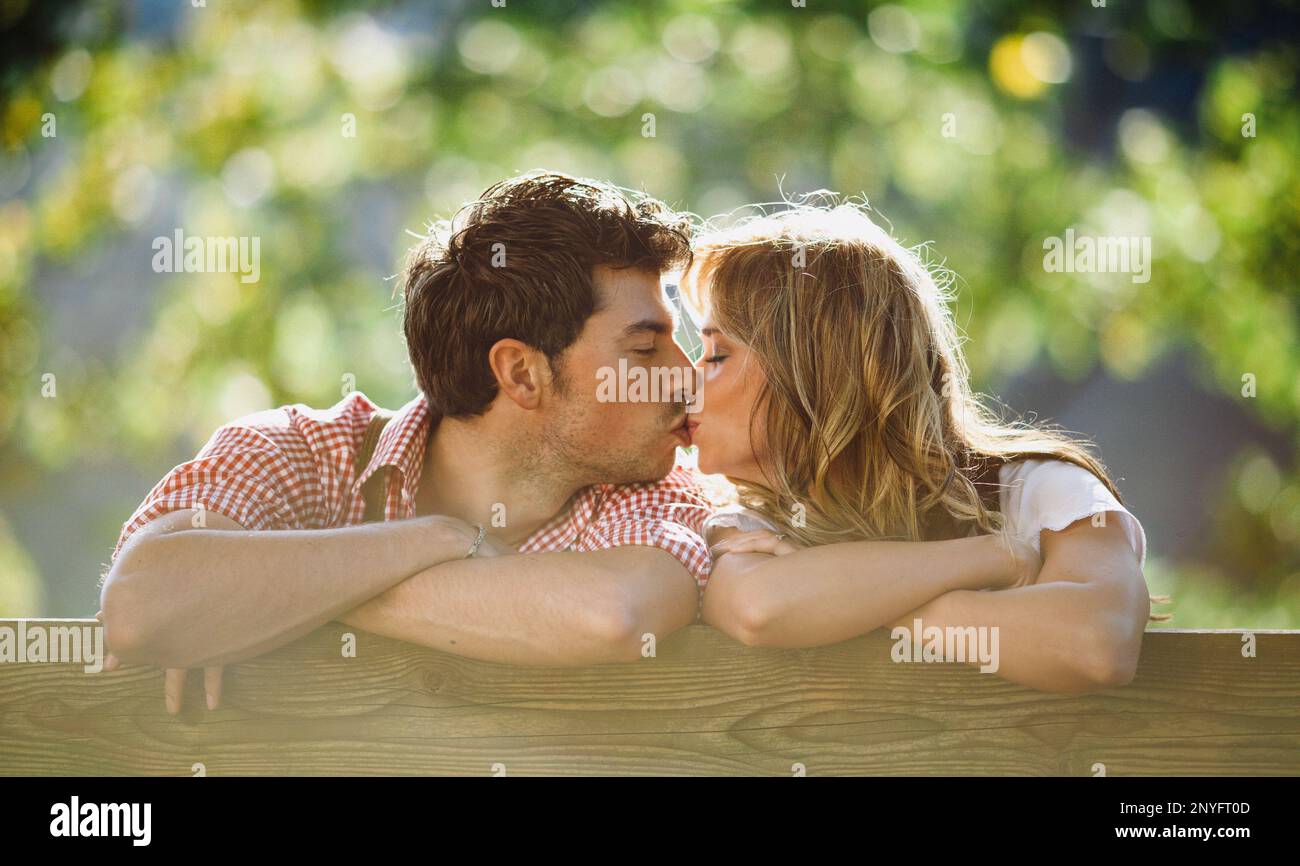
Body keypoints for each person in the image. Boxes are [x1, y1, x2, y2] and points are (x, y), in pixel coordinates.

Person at [100, 171, 713, 714]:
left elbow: (611, 616)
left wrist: (270, 593)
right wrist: (445, 541)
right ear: (522, 373)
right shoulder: (300, 452)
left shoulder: (655, 495)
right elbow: (142, 605)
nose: (686, 375)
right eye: (643, 348)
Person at [681, 200, 1162, 693]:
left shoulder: (1038, 491)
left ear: (822, 368)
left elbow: (1093, 645)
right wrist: (997, 557)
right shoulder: (743, 525)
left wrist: (856, 599)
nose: (683, 382)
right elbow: (758, 609)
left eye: (717, 354)